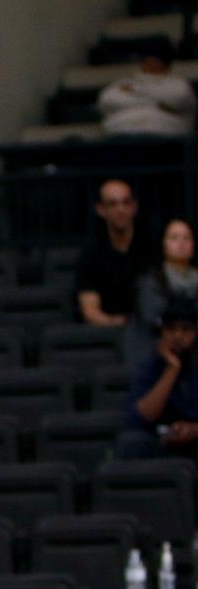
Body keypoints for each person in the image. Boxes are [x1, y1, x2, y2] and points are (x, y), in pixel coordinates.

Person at [123, 297, 198, 459]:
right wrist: (172, 370)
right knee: (133, 442)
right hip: (161, 443)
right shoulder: (149, 368)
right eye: (171, 329)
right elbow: (141, 417)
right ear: (161, 332)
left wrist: (194, 429)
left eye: (186, 329)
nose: (178, 336)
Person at [76, 178, 157, 327]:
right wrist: (122, 324)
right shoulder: (90, 254)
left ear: (134, 207)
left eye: (126, 202)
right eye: (113, 204)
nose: (121, 209)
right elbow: (90, 312)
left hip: (151, 329)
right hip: (110, 332)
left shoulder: (152, 246)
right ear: (100, 210)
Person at [126, 218, 198, 366]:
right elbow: (153, 317)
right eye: (174, 238)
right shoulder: (150, 281)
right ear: (163, 244)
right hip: (157, 351)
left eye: (186, 238)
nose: (181, 243)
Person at [97, 40, 196, 137]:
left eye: (156, 62)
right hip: (120, 134)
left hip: (164, 136)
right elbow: (107, 100)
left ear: (166, 65)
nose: (150, 65)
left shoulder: (177, 83)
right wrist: (159, 104)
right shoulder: (124, 83)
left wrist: (137, 92)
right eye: (147, 62)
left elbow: (179, 98)